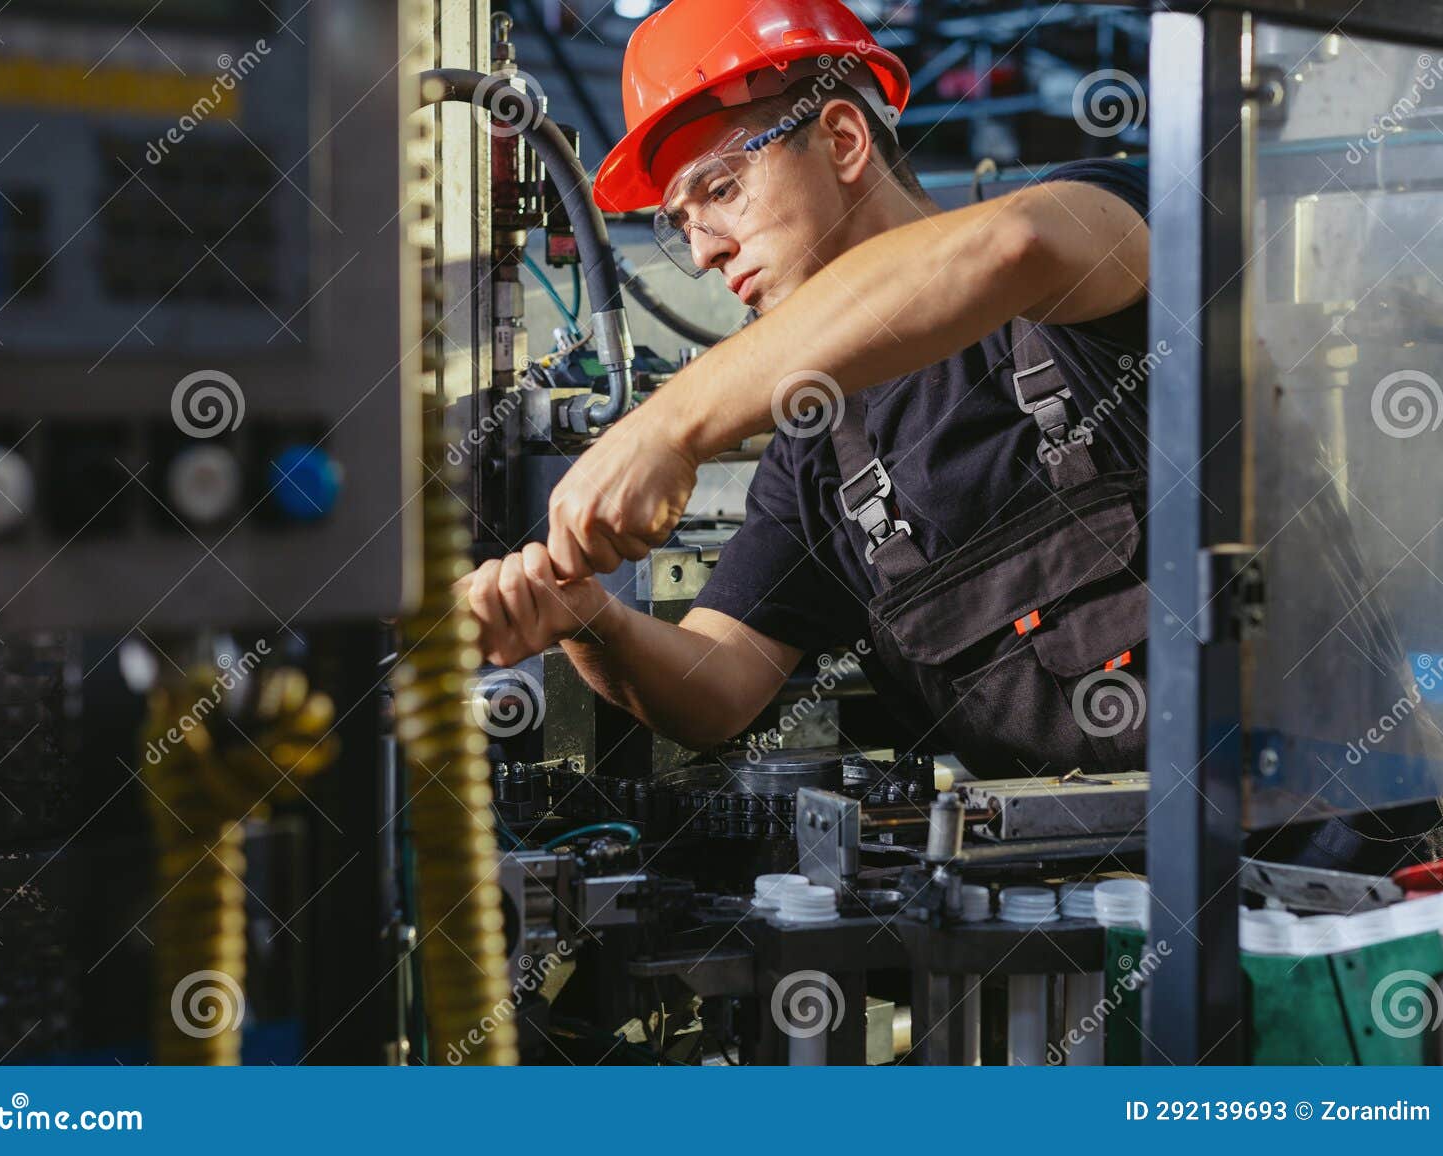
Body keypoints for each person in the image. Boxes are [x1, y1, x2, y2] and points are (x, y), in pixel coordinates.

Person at [461, 0, 1152, 778]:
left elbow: (1017, 243)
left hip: (1281, 860)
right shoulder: (821, 448)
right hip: (1060, 886)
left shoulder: (1092, 237)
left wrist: (666, 425)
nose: (702, 251)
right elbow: (714, 691)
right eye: (679, 222)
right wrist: (586, 618)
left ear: (845, 140)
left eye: (719, 190)